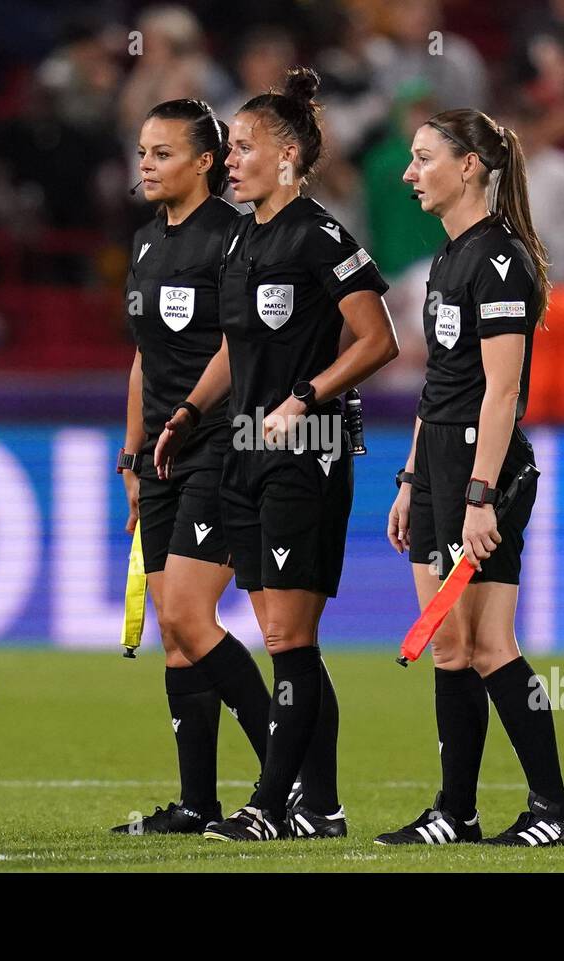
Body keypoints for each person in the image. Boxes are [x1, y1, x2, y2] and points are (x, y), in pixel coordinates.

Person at [156, 68, 399, 841]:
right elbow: (236, 342)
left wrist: (306, 396)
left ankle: (270, 806)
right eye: (227, 147)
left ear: (288, 156)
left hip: (308, 451)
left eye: (243, 146)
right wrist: (191, 411)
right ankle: (319, 806)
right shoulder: (245, 238)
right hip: (243, 451)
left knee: (292, 639)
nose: (230, 159)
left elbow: (379, 340)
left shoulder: (320, 235)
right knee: (285, 640)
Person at [378, 108, 564, 847]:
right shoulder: (448, 258)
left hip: (481, 472)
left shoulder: (499, 261)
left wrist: (479, 496)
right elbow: (441, 384)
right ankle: (455, 812)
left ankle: (555, 809)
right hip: (437, 465)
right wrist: (409, 479)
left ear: (469, 166)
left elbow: (502, 392)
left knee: (492, 643)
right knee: (449, 644)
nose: (409, 173)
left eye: (423, 157)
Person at [110, 99, 273, 834]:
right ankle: (196, 801)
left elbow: (240, 348)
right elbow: (145, 354)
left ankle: (289, 776)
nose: (146, 164)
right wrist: (133, 453)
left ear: (205, 162)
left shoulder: (235, 240)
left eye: (162, 153)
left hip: (218, 445)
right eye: (142, 152)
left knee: (184, 612)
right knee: (175, 638)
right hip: (163, 454)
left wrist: (185, 423)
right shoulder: (145, 243)